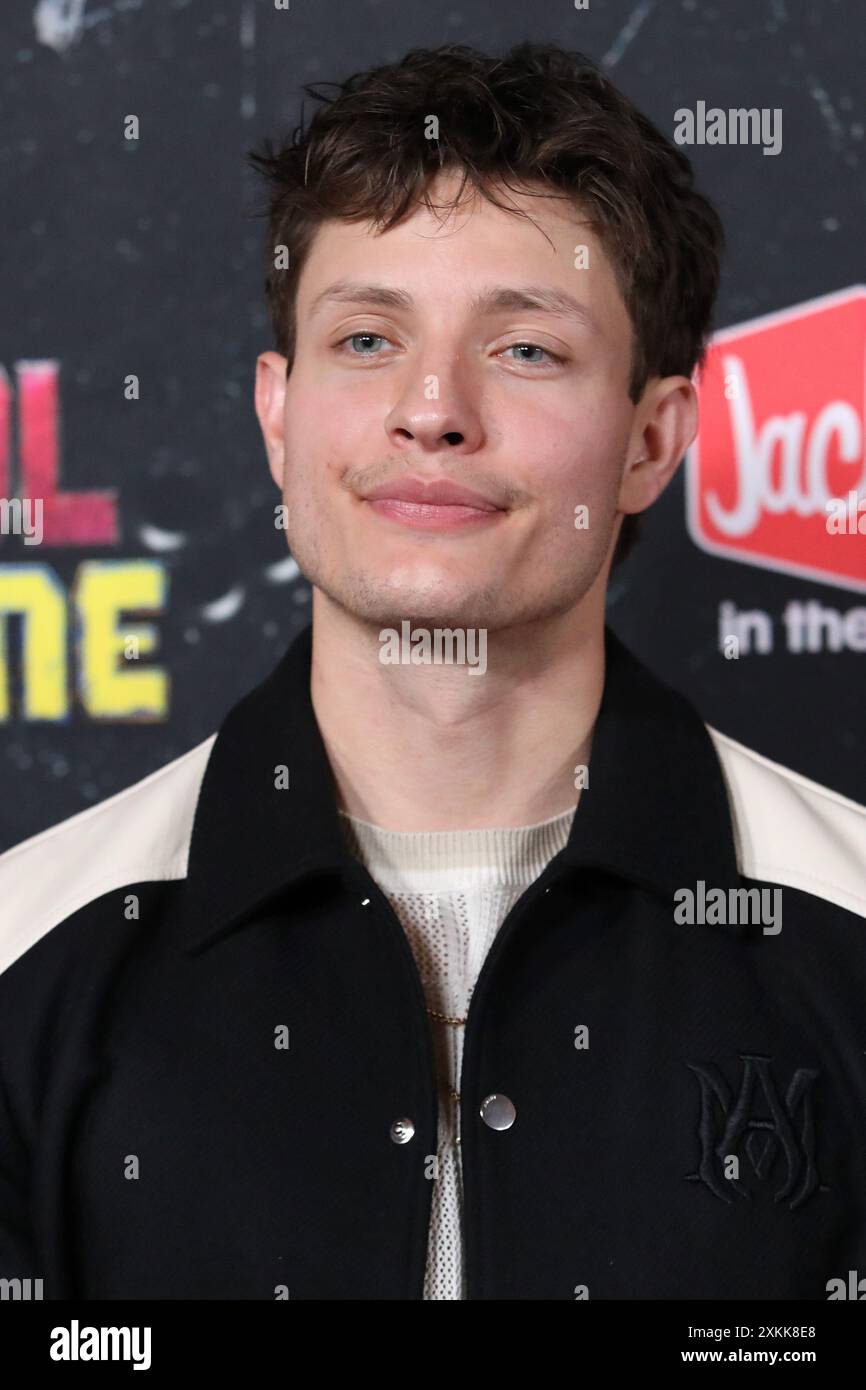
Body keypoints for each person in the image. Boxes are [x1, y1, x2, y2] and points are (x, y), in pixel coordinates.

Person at [1, 42, 864, 1302]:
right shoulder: (28, 947)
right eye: (364, 337)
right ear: (278, 414)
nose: (431, 409)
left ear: (649, 440)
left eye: (524, 349)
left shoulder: (840, 934)